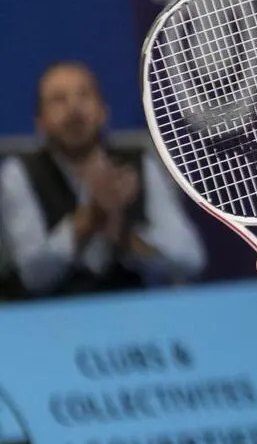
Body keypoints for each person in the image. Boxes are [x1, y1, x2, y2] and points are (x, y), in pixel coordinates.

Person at [0, 61, 206, 299]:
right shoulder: (19, 174)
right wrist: (90, 217)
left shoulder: (139, 165)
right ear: (40, 122)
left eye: (84, 95)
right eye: (58, 100)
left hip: (132, 311)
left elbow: (191, 259)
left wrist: (124, 235)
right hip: (48, 315)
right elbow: (32, 274)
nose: (74, 109)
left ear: (103, 111)